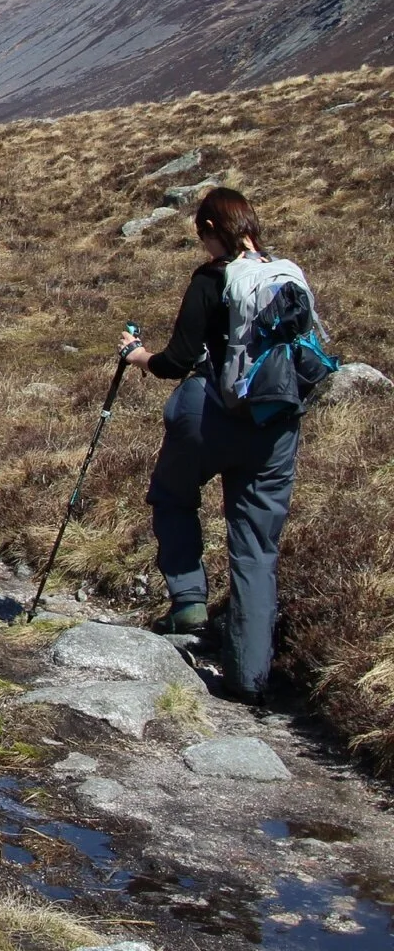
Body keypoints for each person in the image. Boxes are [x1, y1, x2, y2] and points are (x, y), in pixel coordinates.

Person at [118, 187, 304, 702]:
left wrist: (137, 355)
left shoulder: (211, 278)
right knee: (257, 548)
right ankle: (250, 677)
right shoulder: (284, 275)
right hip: (275, 425)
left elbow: (177, 361)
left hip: (208, 415)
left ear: (210, 231)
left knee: (173, 497)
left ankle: (190, 607)